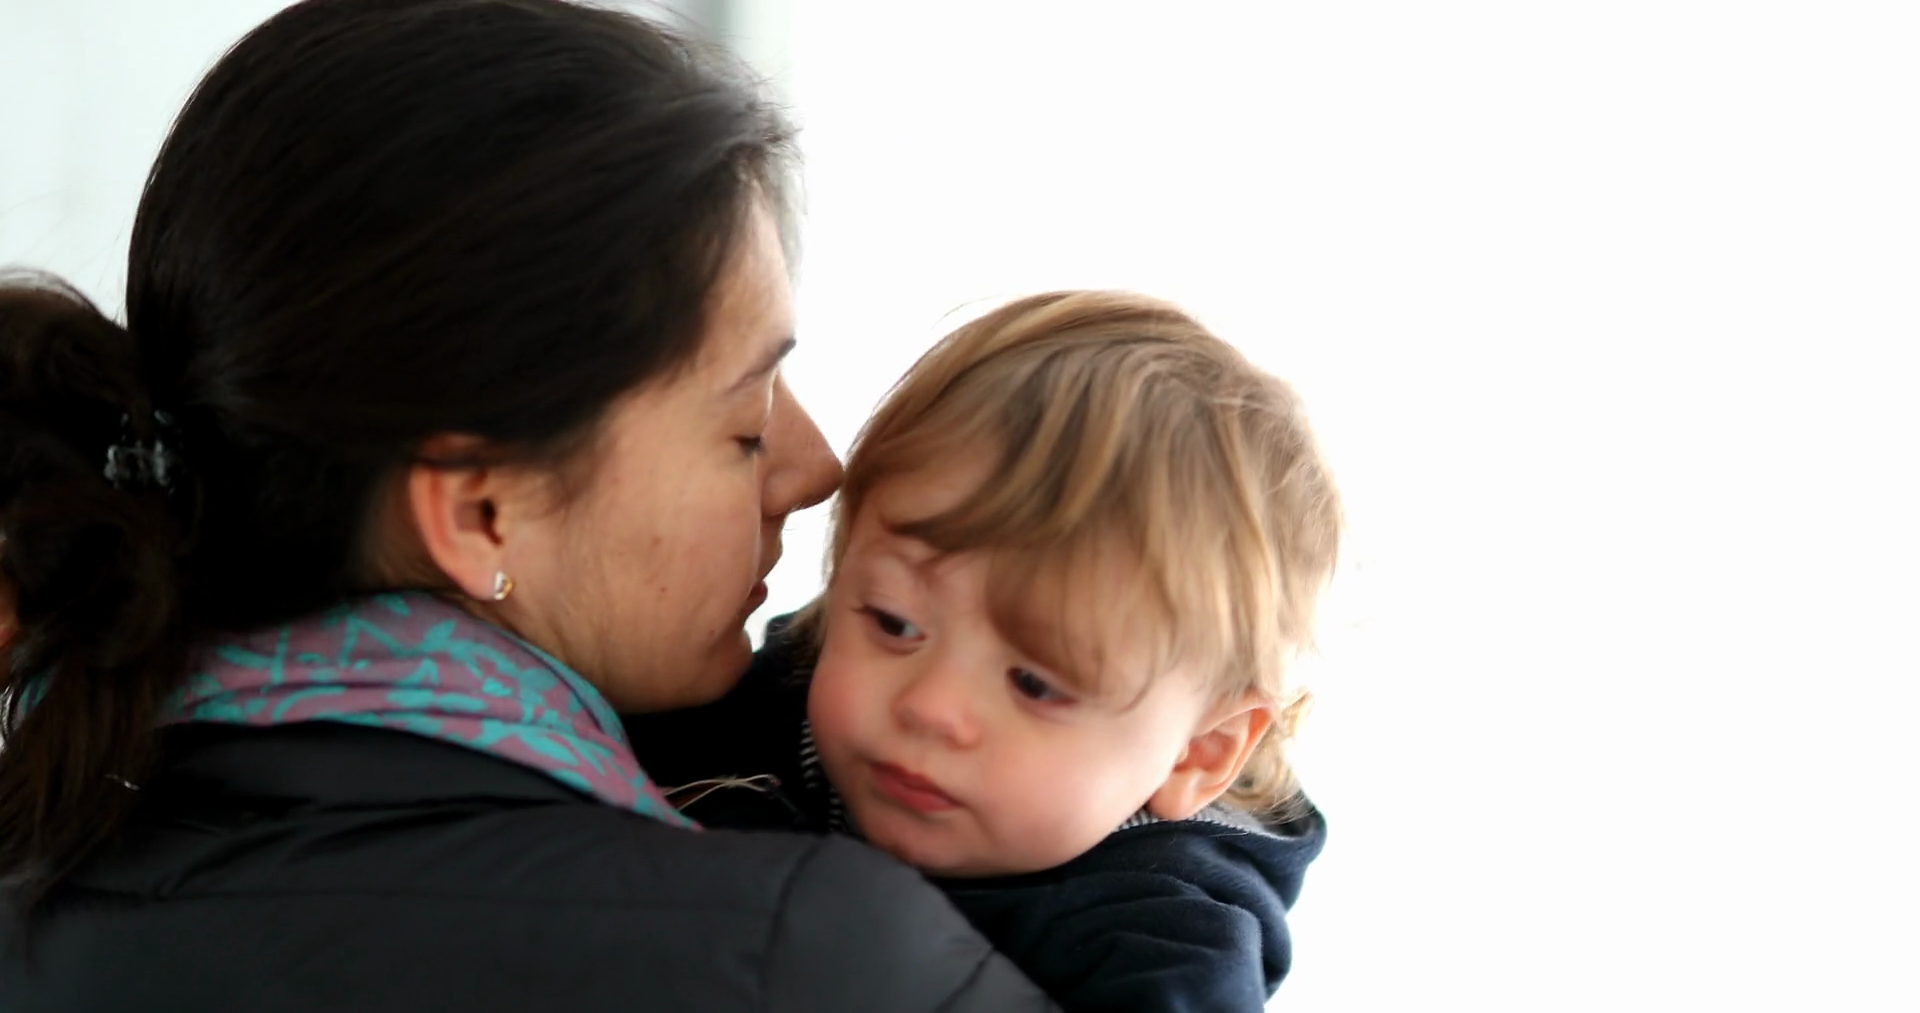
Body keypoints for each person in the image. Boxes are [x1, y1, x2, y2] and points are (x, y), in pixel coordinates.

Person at [0, 1, 1058, 1009]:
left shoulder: (45, 864)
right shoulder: (789, 952)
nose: (815, 466)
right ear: (481, 514)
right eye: (743, 427)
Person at [631, 290, 1344, 1011]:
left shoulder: (1158, 939)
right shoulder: (766, 703)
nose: (931, 706)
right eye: (895, 622)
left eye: (1035, 683)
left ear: (1200, 750)